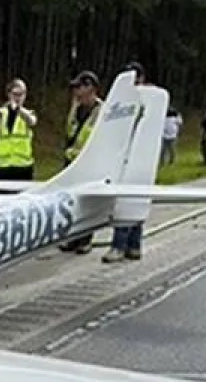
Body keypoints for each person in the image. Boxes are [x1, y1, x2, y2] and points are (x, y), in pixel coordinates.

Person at [104, 61, 148, 263]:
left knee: (128, 200)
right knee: (133, 198)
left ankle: (119, 245)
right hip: (128, 154)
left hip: (136, 154)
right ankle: (134, 245)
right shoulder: (129, 99)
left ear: (140, 78)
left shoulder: (140, 100)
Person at [58, 70, 102, 253]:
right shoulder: (76, 109)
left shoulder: (102, 111)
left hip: (90, 163)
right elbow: (69, 133)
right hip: (72, 161)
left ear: (90, 88)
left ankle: (86, 239)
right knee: (72, 202)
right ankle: (73, 237)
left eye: (79, 87)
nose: (76, 92)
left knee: (88, 202)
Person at [0, 78, 37, 181]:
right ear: (9, 95)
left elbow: (31, 121)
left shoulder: (28, 113)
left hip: (23, 167)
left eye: (21, 94)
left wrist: (18, 109)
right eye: (15, 94)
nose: (18, 97)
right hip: (1, 167)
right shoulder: (2, 112)